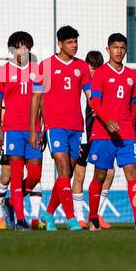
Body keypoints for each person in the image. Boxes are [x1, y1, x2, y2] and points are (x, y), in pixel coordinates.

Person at [88, 33, 136, 229]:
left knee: (133, 173)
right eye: (115, 47)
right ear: (108, 49)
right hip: (103, 133)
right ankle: (93, 217)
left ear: (126, 50)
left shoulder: (132, 76)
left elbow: (133, 104)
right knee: (100, 176)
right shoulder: (100, 73)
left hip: (126, 134)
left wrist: (130, 126)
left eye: (122, 48)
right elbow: (95, 102)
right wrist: (107, 121)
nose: (119, 51)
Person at [39, 25, 91, 231]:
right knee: (62, 168)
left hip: (76, 126)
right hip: (55, 125)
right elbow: (37, 98)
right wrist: (37, 127)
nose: (74, 45)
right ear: (59, 44)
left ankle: (48, 214)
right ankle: (70, 219)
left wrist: (99, 109)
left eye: (76, 41)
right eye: (70, 42)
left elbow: (89, 94)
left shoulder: (82, 67)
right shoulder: (46, 66)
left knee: (66, 175)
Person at [0, 31, 44, 230]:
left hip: (34, 130)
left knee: (35, 174)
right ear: (12, 49)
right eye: (19, 47)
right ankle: (20, 220)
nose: (23, 50)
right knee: (15, 173)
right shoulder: (2, 72)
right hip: (12, 129)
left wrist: (43, 127)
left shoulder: (37, 71)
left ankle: (12, 202)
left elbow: (42, 102)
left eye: (26, 47)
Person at [71, 48, 113, 228]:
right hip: (84, 136)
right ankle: (79, 216)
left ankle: (97, 214)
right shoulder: (82, 86)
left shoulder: (104, 83)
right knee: (78, 174)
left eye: (97, 67)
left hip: (101, 136)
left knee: (108, 173)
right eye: (91, 68)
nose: (94, 71)